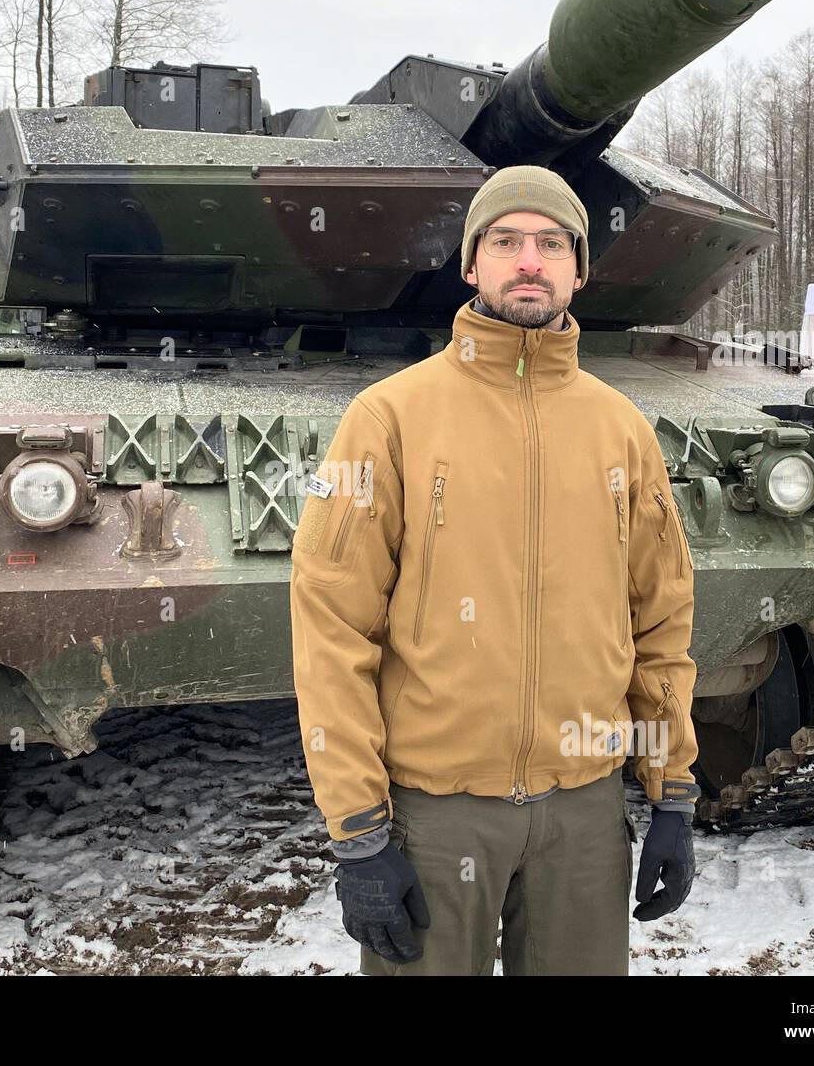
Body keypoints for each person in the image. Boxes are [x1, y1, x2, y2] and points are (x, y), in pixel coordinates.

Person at [288, 164, 700, 976]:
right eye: (505, 240)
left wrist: (672, 792)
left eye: (551, 243)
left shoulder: (622, 430)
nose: (529, 260)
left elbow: (661, 619)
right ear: (471, 264)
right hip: (436, 814)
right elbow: (332, 627)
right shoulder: (389, 417)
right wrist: (360, 834)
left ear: (578, 270)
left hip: (584, 812)